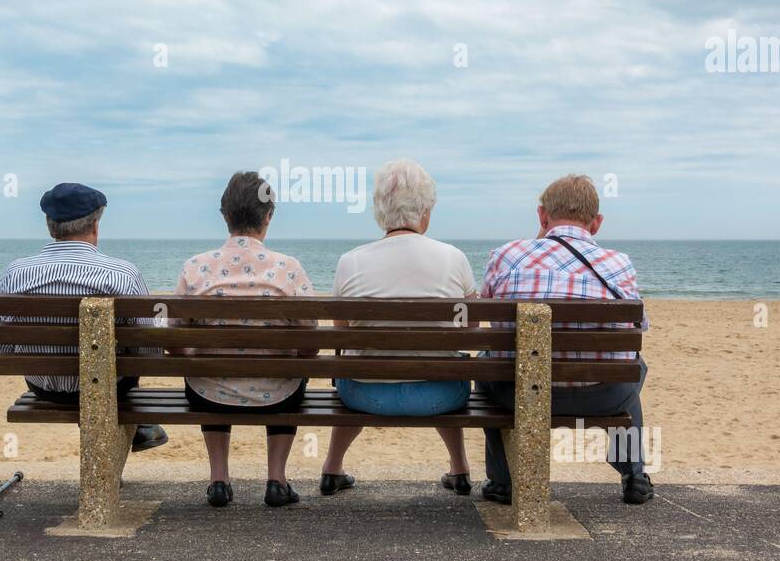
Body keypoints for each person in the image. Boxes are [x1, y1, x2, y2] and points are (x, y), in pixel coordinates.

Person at [478, 174, 652, 504]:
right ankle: (634, 473)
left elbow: (489, 315)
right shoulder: (618, 263)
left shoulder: (507, 254)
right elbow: (638, 325)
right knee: (633, 366)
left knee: (485, 370)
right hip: (600, 396)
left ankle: (502, 480)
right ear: (597, 223)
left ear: (542, 216)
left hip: (517, 395)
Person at [319, 159, 478, 497]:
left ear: (380, 210)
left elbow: (341, 330)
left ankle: (332, 468)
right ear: (425, 212)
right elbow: (472, 326)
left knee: (354, 361)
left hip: (365, 395)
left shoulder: (350, 261)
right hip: (440, 397)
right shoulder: (454, 258)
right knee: (447, 361)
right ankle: (460, 468)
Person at [0, 182, 168, 452]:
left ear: (50, 226)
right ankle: (138, 427)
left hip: (44, 389)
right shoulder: (123, 275)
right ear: (95, 227)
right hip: (111, 390)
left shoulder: (15, 274)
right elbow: (152, 349)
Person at [173, 171, 316, 508]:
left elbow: (172, 337)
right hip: (278, 395)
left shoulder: (195, 267)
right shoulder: (289, 268)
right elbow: (311, 341)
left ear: (225, 216)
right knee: (295, 371)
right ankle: (277, 480)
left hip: (210, 394)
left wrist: (194, 354)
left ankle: (219, 481)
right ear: (268, 217)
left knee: (205, 368)